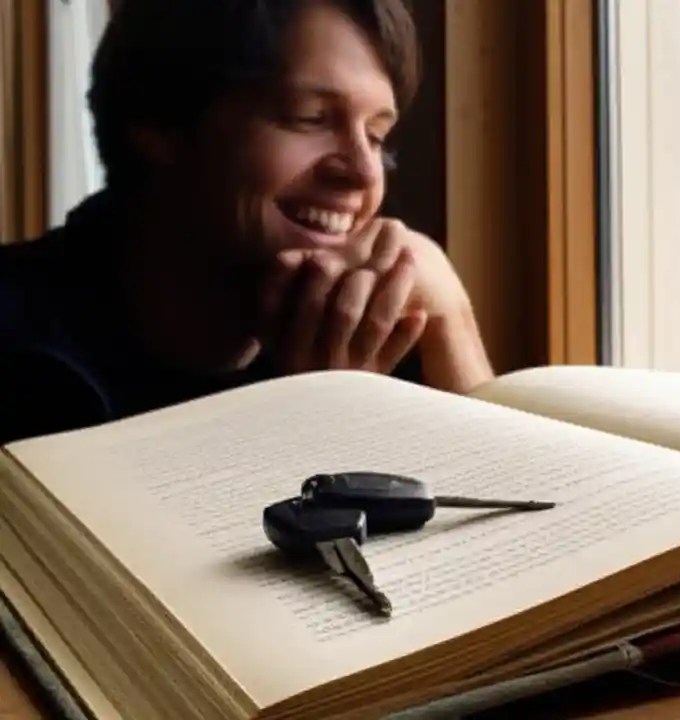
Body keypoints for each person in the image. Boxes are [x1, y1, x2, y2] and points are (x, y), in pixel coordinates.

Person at [0, 0, 494, 445]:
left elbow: (524, 532)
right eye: (311, 117)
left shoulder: (380, 319)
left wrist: (452, 324)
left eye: (377, 135)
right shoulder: (22, 352)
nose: (364, 173)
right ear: (163, 119)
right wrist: (316, 421)